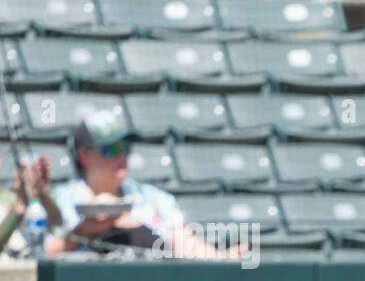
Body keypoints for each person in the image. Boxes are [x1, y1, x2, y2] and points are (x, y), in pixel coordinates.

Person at [43, 110, 244, 259]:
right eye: (111, 149)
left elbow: (182, 240)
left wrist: (219, 259)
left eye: (125, 147)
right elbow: (40, 255)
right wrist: (84, 231)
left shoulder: (154, 198)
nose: (122, 156)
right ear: (85, 155)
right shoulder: (59, 200)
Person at [0, 154, 63, 257]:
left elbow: (57, 221)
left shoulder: (43, 199)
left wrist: (40, 192)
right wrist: (20, 202)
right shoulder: (6, 197)